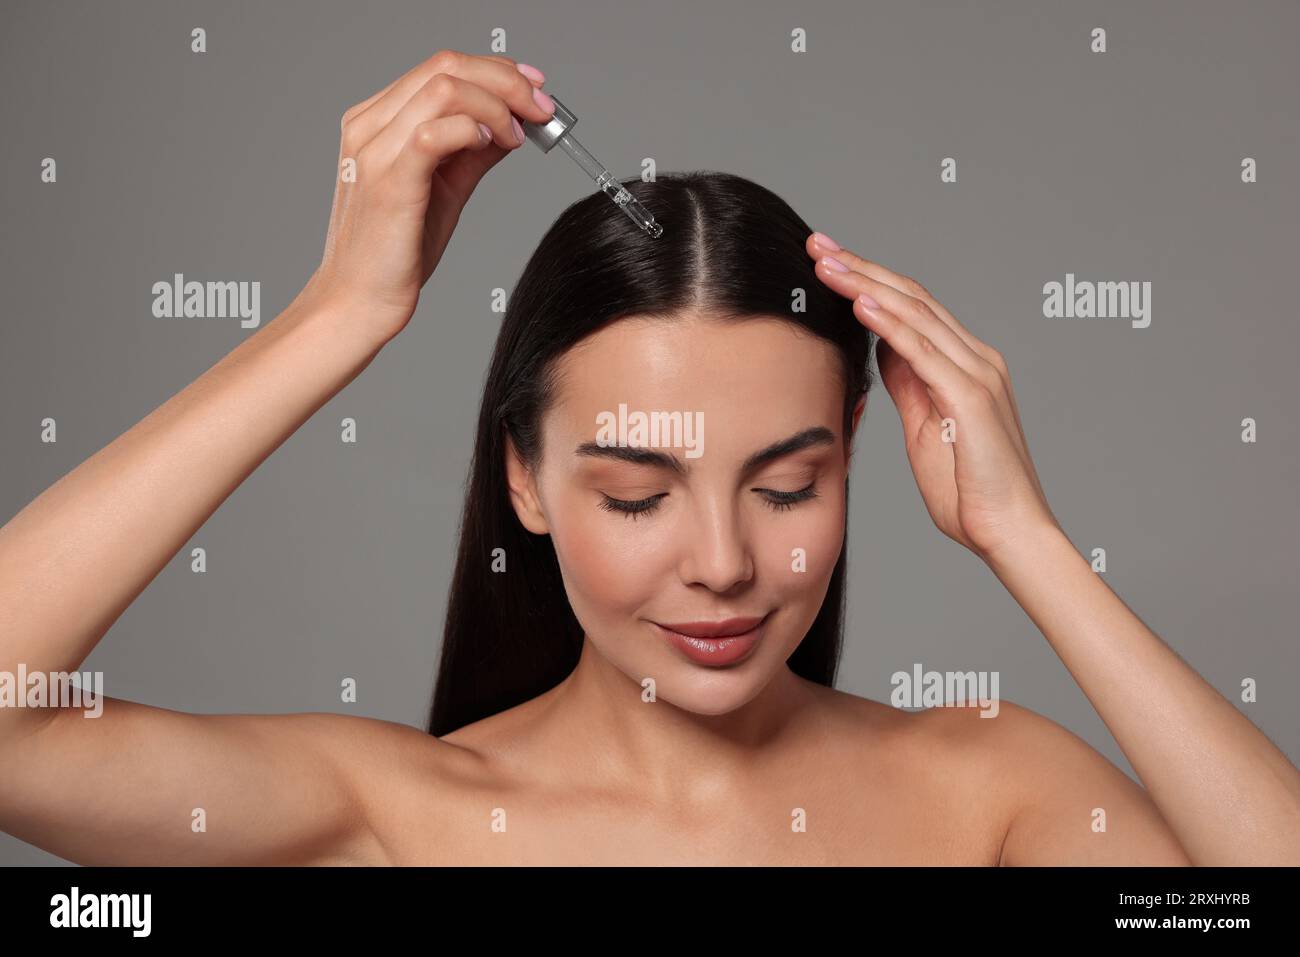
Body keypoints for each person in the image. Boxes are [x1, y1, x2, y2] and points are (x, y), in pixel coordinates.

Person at [1, 50, 1296, 867]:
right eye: (636, 493)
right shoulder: (401, 817)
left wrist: (1032, 542)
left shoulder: (990, 794)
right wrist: (335, 318)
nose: (725, 563)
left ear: (855, 455)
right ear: (527, 478)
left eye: (787, 483)